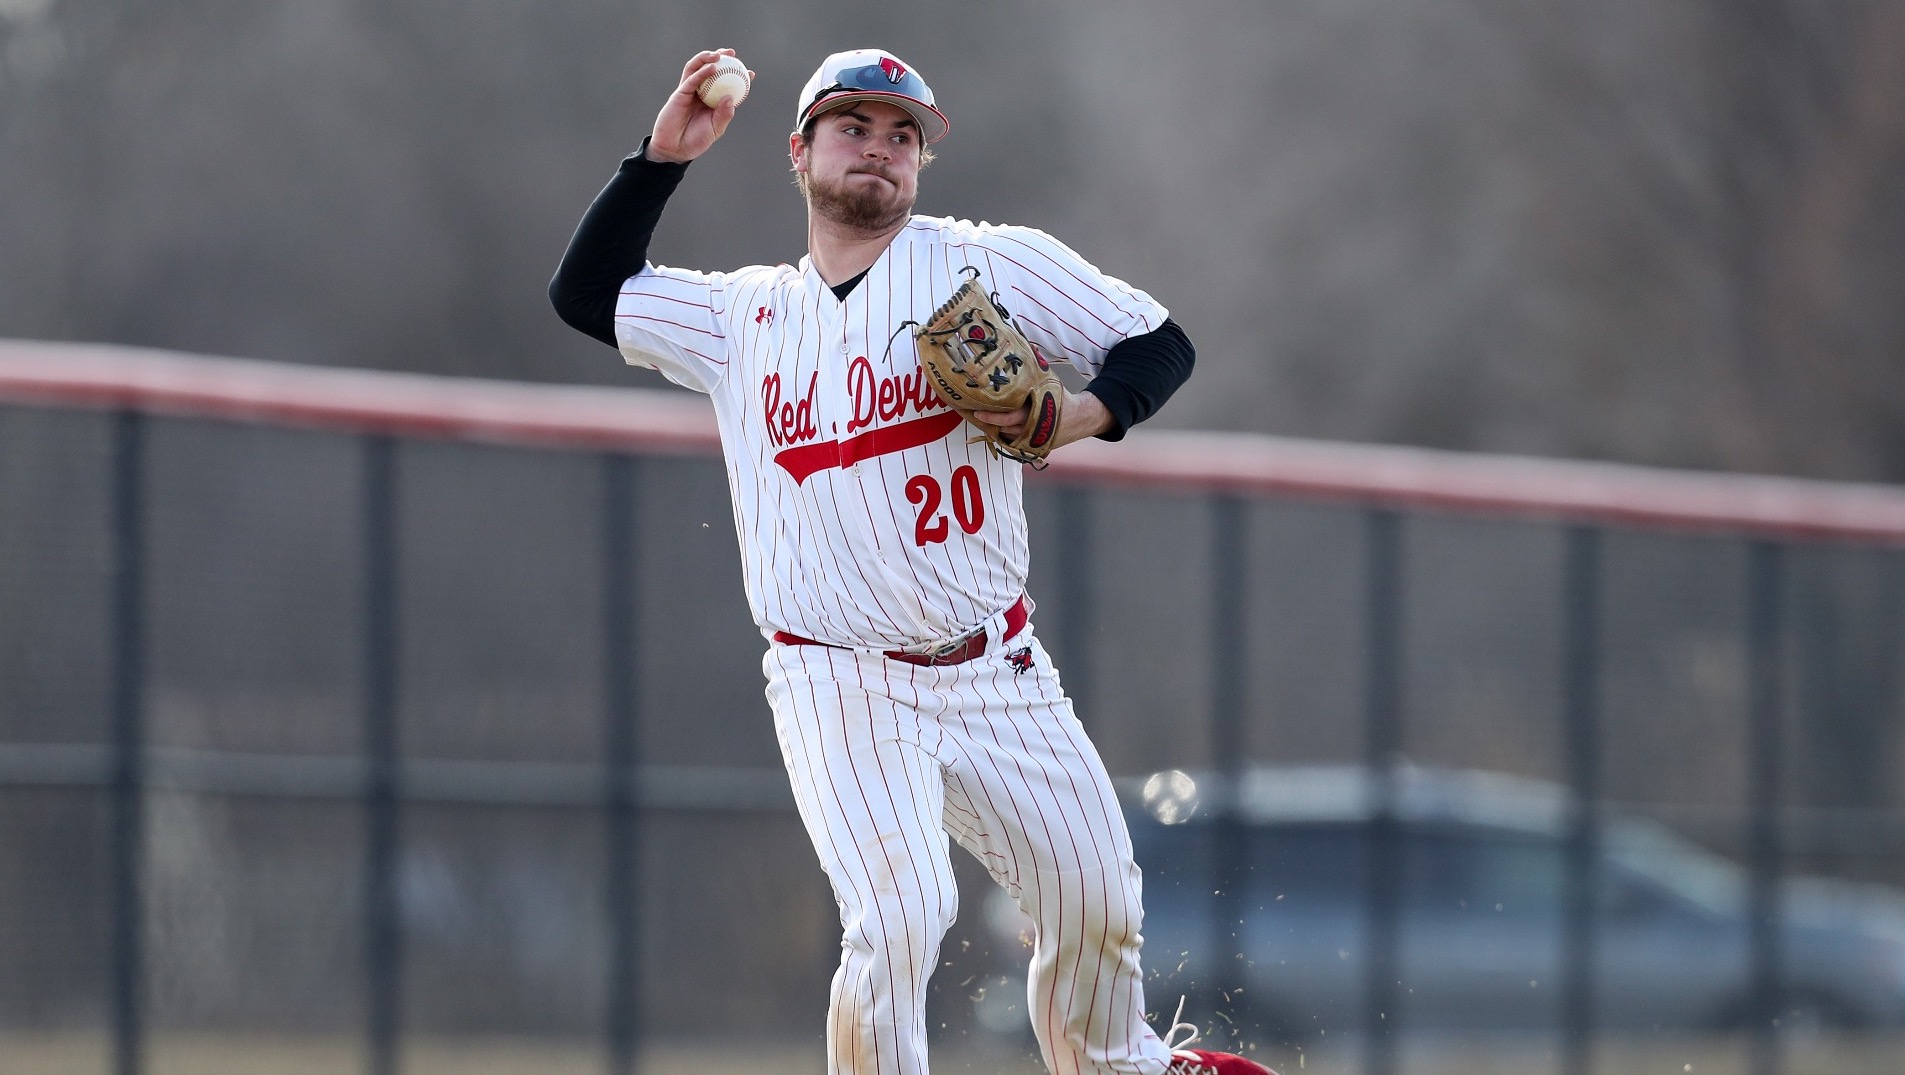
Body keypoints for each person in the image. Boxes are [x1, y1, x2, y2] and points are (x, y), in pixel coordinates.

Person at [551, 47, 1273, 1075]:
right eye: (855, 128)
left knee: (1097, 896)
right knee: (899, 916)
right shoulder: (741, 317)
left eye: (903, 136)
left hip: (995, 667)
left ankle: (1122, 1066)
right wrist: (660, 160)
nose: (881, 152)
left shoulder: (987, 265)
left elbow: (1158, 341)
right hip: (836, 674)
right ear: (798, 155)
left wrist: (1073, 415)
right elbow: (584, 293)